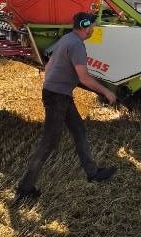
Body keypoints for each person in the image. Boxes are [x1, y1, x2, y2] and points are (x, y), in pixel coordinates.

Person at [16, 11, 118, 202]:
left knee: (79, 130)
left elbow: (48, 67)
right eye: (92, 26)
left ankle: (92, 172)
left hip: (58, 93)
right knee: (49, 142)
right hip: (57, 97)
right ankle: (25, 188)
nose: (93, 29)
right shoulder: (77, 45)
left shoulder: (66, 39)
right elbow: (84, 78)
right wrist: (106, 92)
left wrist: (56, 84)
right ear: (85, 26)